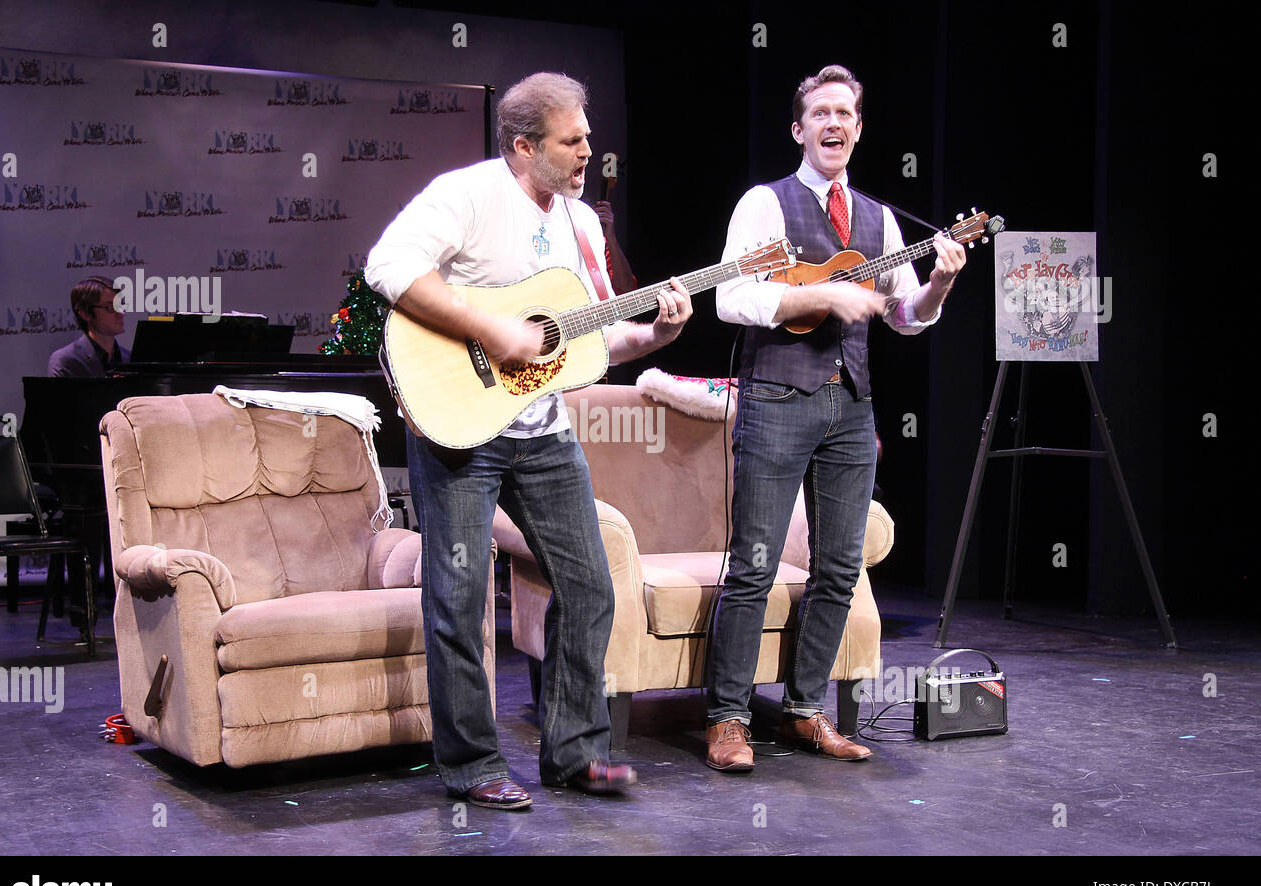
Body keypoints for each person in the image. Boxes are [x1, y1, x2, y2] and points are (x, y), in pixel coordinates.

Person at [365, 72, 692, 810]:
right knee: (457, 598)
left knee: (590, 586)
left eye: (587, 137)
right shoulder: (471, 194)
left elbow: (593, 336)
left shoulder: (578, 220)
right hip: (460, 429)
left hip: (543, 432)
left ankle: (574, 749)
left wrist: (658, 332)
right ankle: (472, 762)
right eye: (571, 140)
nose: (587, 152)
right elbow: (387, 265)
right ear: (523, 146)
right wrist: (491, 328)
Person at [704, 64, 966, 771]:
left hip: (851, 405)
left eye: (845, 114)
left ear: (858, 128)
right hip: (776, 398)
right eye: (820, 113)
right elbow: (731, 298)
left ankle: (803, 709)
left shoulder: (879, 220)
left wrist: (939, 281)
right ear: (799, 129)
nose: (833, 124)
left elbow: (906, 317)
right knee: (754, 563)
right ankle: (728, 716)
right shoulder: (766, 204)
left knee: (840, 567)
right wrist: (815, 301)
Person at [47, 276, 128, 376]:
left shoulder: (130, 359)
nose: (121, 314)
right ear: (85, 314)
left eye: (121, 306)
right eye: (110, 307)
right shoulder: (66, 361)